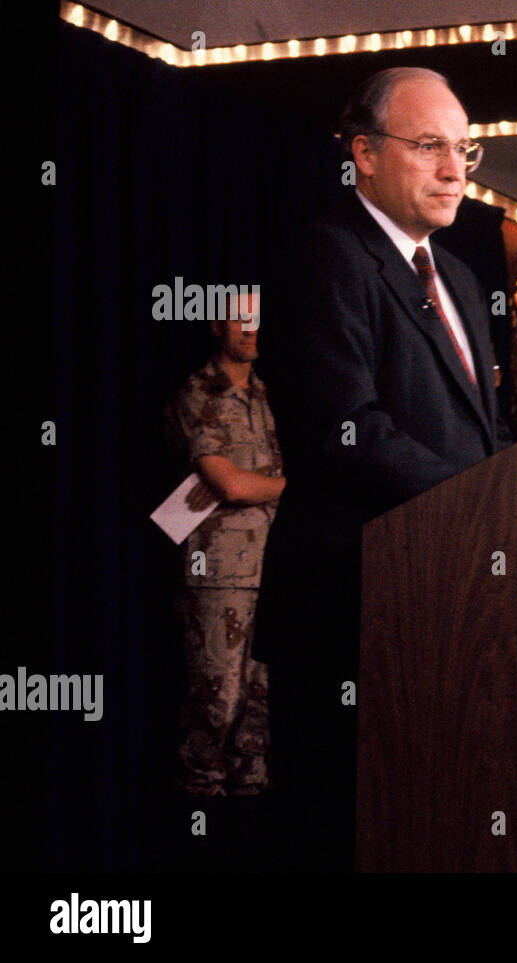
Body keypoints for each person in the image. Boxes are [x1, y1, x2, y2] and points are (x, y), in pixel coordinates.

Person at [255, 67, 512, 869]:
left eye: (464, 149)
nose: (454, 170)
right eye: (430, 146)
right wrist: (485, 499)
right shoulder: (328, 257)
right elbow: (347, 431)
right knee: (341, 832)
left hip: (447, 608)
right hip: (351, 613)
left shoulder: (462, 277)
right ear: (363, 153)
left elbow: (485, 431)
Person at [163, 291, 285, 798]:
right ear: (217, 323)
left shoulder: (268, 396)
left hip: (269, 569)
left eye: (257, 319)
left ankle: (250, 821)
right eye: (240, 319)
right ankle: (200, 821)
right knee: (216, 704)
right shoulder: (197, 394)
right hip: (217, 575)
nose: (250, 328)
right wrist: (291, 488)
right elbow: (228, 483)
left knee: (257, 709)